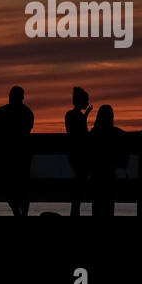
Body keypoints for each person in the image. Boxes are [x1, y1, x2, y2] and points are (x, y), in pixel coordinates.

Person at [0, 86, 35, 216]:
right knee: (23, 185)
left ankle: (16, 211)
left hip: (7, 155)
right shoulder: (28, 112)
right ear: (22, 97)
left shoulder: (1, 112)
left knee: (9, 186)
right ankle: (23, 213)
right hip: (23, 155)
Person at [89, 105, 124, 217]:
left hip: (96, 173)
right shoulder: (116, 133)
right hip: (110, 173)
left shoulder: (94, 133)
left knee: (97, 203)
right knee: (109, 204)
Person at [65, 87, 91, 216]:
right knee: (80, 183)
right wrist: (85, 117)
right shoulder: (77, 115)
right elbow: (83, 134)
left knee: (79, 183)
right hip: (79, 154)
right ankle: (75, 211)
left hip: (73, 153)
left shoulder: (69, 114)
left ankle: (75, 210)